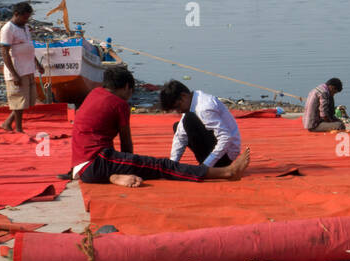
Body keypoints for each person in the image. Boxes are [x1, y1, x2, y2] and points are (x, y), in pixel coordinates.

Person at [70, 66, 249, 188]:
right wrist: (134, 164)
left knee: (165, 156)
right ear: (126, 87)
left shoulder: (94, 93)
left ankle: (114, 176)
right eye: (130, 92)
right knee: (161, 166)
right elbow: (126, 144)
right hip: (95, 163)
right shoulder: (119, 104)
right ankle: (227, 172)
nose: (129, 97)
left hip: (85, 166)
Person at [158, 79, 241, 167]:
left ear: (184, 96)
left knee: (188, 119)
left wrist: (206, 165)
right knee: (178, 126)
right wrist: (173, 164)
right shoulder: (191, 102)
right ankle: (206, 163)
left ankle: (209, 165)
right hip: (214, 147)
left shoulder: (204, 107)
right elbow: (180, 136)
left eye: (178, 107)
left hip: (226, 155)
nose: (179, 111)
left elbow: (225, 137)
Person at [0, 2, 37, 133]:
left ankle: (7, 122)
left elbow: (29, 46)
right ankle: (18, 128)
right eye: (25, 17)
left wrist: (37, 64)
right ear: (16, 15)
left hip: (28, 68)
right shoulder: (8, 29)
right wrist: (14, 74)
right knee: (18, 100)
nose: (26, 20)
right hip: (17, 70)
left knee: (26, 101)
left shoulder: (25, 27)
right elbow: (4, 52)